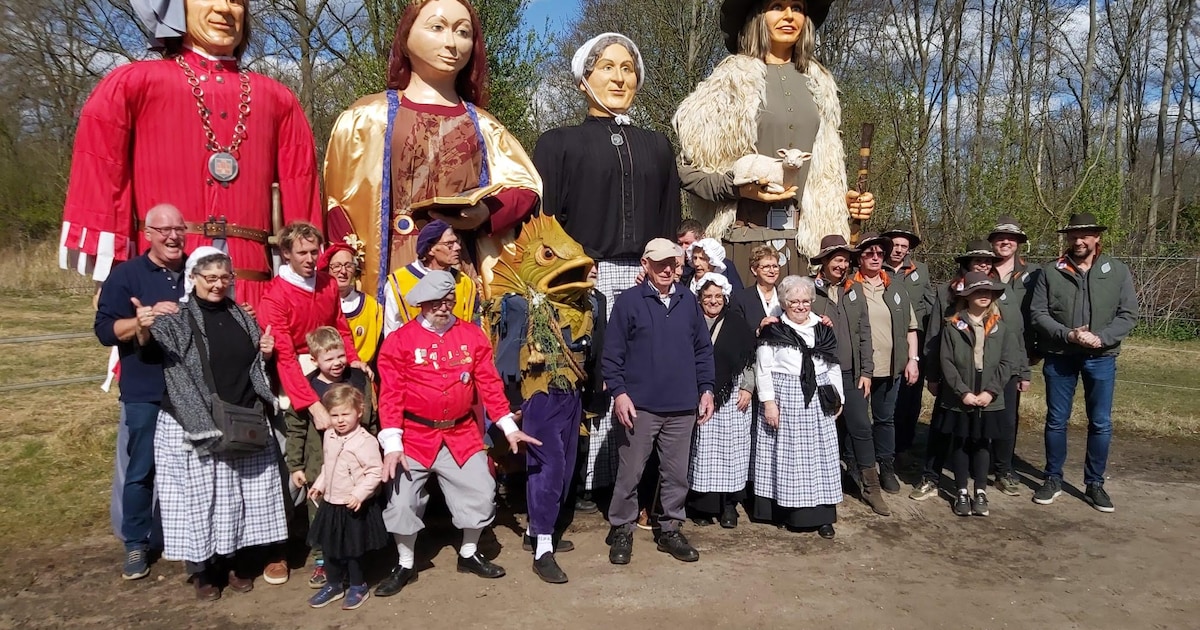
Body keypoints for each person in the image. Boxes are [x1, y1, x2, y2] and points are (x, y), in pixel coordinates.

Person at [62, 0, 321, 308]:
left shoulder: (279, 99)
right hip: (162, 281)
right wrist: (114, 274)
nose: (225, 10)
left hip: (253, 288)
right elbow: (104, 173)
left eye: (236, 1)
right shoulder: (133, 85)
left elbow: (301, 189)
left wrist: (302, 279)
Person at [533, 32, 681, 496]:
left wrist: (657, 265)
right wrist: (572, 268)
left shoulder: (657, 146)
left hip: (643, 277)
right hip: (580, 282)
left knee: (637, 379)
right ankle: (576, 483)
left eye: (627, 68)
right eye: (607, 67)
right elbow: (545, 221)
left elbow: (668, 218)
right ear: (583, 79)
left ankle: (629, 484)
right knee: (584, 378)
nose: (619, 77)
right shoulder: (558, 143)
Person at [324, 0, 541, 304]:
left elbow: (527, 189)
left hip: (458, 265)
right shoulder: (365, 118)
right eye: (437, 28)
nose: (451, 43)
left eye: (463, 32)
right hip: (390, 265)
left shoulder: (484, 125)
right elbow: (336, 203)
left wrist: (485, 213)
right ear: (407, 35)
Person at [674, 0, 874, 283]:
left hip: (804, 247)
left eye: (797, 7)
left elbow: (821, 173)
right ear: (757, 15)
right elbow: (686, 170)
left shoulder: (819, 84)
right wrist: (736, 188)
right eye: (777, 6)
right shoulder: (730, 82)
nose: (789, 16)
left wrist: (843, 203)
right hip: (743, 243)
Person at [373, 270, 541, 597]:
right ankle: (405, 562)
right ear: (421, 303)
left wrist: (508, 427)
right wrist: (392, 445)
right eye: (434, 302)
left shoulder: (472, 336)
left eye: (447, 301)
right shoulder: (399, 341)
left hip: (461, 433)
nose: (442, 308)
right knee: (402, 500)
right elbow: (390, 395)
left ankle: (468, 553)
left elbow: (490, 385)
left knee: (481, 490)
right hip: (414, 436)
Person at [145, 248, 286, 601]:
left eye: (225, 277)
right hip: (194, 421)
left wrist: (264, 352)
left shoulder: (240, 314)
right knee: (200, 499)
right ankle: (203, 571)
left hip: (239, 416)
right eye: (210, 278)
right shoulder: (177, 317)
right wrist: (143, 329)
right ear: (193, 279)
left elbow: (254, 360)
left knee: (235, 498)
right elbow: (150, 351)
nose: (218, 284)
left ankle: (232, 561)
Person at [603, 238, 715, 565]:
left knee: (676, 473)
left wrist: (706, 389)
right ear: (645, 264)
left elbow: (702, 351)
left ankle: (670, 529)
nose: (667, 269)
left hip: (682, 406)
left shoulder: (688, 302)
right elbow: (613, 355)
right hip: (640, 406)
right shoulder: (629, 302)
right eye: (660, 263)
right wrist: (620, 394)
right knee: (630, 472)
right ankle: (622, 529)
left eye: (672, 263)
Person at [94, 204, 187, 579]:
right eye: (163, 230)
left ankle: (187, 539)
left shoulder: (197, 271)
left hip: (190, 390)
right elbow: (103, 332)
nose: (172, 236)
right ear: (147, 233)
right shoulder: (126, 275)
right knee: (141, 470)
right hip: (145, 388)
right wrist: (139, 321)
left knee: (193, 468)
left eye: (179, 229)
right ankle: (136, 543)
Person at [1030, 213, 1138, 513]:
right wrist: (1068, 335)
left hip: (1101, 357)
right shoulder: (1051, 271)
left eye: (1085, 235)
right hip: (1061, 355)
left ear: (1097, 238)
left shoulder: (1116, 270)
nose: (1079, 241)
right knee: (1056, 420)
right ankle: (1052, 479)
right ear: (1068, 238)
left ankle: (1095, 484)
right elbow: (1038, 314)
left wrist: (1101, 338)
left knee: (1100, 422)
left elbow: (1128, 314)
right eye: (1074, 235)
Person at [285, 326, 378, 589]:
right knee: (321, 516)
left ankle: (357, 560)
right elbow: (296, 428)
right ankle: (323, 560)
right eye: (329, 359)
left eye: (340, 356)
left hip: (357, 464)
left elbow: (371, 417)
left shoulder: (359, 379)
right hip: (320, 464)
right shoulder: (307, 387)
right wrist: (296, 465)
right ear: (315, 360)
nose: (337, 363)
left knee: (355, 513)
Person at [911, 240, 1004, 501]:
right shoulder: (946, 292)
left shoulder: (996, 296)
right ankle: (930, 477)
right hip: (951, 372)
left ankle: (978, 482)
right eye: (978, 261)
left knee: (979, 434)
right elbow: (934, 335)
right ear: (966, 265)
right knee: (942, 429)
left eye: (988, 261)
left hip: (984, 376)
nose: (984, 265)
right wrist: (932, 373)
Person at [753, 275, 844, 538]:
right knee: (786, 456)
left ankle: (822, 515)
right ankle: (785, 511)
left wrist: (839, 398)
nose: (801, 306)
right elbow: (763, 369)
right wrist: (769, 403)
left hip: (817, 397)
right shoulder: (774, 329)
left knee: (819, 457)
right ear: (784, 302)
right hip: (785, 397)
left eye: (805, 301)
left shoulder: (823, 328)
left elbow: (832, 365)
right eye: (794, 301)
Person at [809, 235, 888, 515]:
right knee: (820, 431)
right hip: (819, 373)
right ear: (825, 261)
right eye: (837, 259)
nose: (842, 265)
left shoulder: (854, 291)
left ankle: (871, 487)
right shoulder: (810, 290)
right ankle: (819, 486)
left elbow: (864, 332)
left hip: (851, 373)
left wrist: (866, 371)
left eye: (845, 260)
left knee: (861, 427)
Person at [934, 272, 1021, 517]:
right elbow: (947, 362)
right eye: (978, 292)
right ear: (967, 296)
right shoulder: (952, 326)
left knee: (983, 444)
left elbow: (1007, 361)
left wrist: (991, 392)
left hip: (989, 395)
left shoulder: (1001, 326)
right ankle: (961, 490)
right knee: (960, 442)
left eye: (988, 292)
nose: (984, 296)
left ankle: (980, 491)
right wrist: (963, 392)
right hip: (960, 395)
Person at [844, 233, 919, 494]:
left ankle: (886, 467)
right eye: (869, 253)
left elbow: (911, 327)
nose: (875, 257)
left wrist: (912, 359)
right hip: (859, 367)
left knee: (885, 419)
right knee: (857, 421)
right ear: (859, 258)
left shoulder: (896, 287)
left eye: (879, 253)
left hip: (890, 366)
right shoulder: (849, 286)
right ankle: (855, 467)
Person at [305, 384, 388, 610]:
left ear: (359, 412)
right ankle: (333, 584)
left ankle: (357, 585)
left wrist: (359, 494)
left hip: (353, 505)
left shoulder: (365, 441)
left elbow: (375, 471)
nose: (340, 420)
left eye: (345, 414)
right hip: (331, 502)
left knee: (353, 549)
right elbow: (328, 465)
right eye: (334, 415)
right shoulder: (330, 435)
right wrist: (320, 485)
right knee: (330, 547)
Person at [687, 274, 757, 528]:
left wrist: (748, 388)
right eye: (708, 297)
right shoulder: (691, 323)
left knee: (732, 452)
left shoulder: (737, 323)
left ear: (725, 297)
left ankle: (729, 505)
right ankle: (702, 505)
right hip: (699, 394)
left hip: (732, 395)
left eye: (718, 296)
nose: (713, 301)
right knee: (702, 451)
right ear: (700, 299)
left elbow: (749, 357)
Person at [987, 216, 1036, 495]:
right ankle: (975, 464)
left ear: (1018, 243)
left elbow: (1035, 317)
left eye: (1011, 238)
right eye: (1000, 238)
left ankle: (1004, 468)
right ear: (993, 242)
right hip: (980, 354)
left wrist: (1029, 359)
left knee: (1007, 416)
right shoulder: (979, 269)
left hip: (1014, 356)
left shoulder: (1033, 275)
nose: (1005, 242)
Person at [384, 219, 479, 333]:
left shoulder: (465, 283)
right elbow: (392, 332)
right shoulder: (399, 282)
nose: (457, 247)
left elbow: (471, 330)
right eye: (449, 244)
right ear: (430, 250)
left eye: (456, 242)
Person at [883, 228, 931, 456]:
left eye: (904, 246)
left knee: (911, 393)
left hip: (914, 338)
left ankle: (905, 446)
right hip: (885, 338)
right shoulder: (875, 268)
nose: (899, 249)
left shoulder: (920, 270)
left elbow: (930, 302)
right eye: (895, 245)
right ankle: (884, 445)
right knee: (886, 395)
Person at [319, 244, 384, 364]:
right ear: (327, 269)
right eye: (336, 266)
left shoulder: (372, 307)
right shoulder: (318, 305)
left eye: (348, 266)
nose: (343, 271)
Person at [730, 244, 783, 333]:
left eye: (775, 266)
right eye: (766, 267)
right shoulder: (741, 299)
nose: (772, 271)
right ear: (754, 270)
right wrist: (759, 330)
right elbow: (736, 333)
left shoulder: (785, 295)